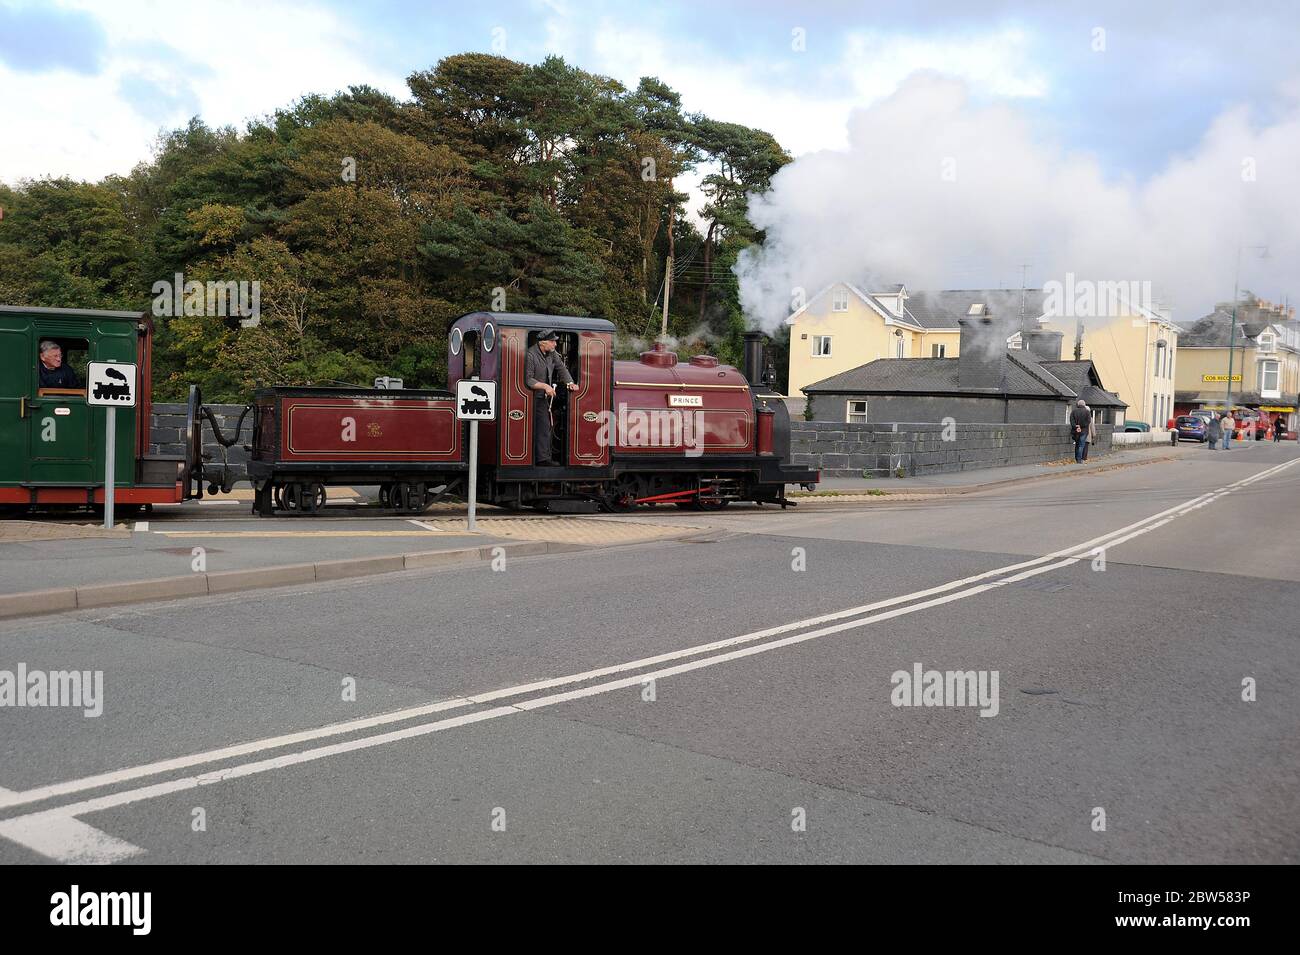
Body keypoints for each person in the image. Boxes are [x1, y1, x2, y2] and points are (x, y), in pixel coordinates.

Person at [524, 330, 578, 466]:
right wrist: (544, 386)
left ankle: (542, 457)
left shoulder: (552, 353)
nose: (555, 343)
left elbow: (561, 368)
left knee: (545, 426)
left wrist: (570, 383)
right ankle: (539, 459)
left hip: (543, 397)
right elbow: (528, 378)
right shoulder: (530, 355)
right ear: (544, 342)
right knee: (539, 426)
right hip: (530, 397)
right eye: (552, 341)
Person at [1069, 398, 1091, 464]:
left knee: (1077, 444)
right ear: (1084, 405)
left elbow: (1071, 421)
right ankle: (1079, 459)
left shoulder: (1073, 411)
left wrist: (1076, 426)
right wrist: (1081, 426)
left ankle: (1076, 458)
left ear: (1078, 404)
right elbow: (1088, 421)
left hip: (1075, 431)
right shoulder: (1087, 412)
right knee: (1081, 445)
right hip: (1084, 431)